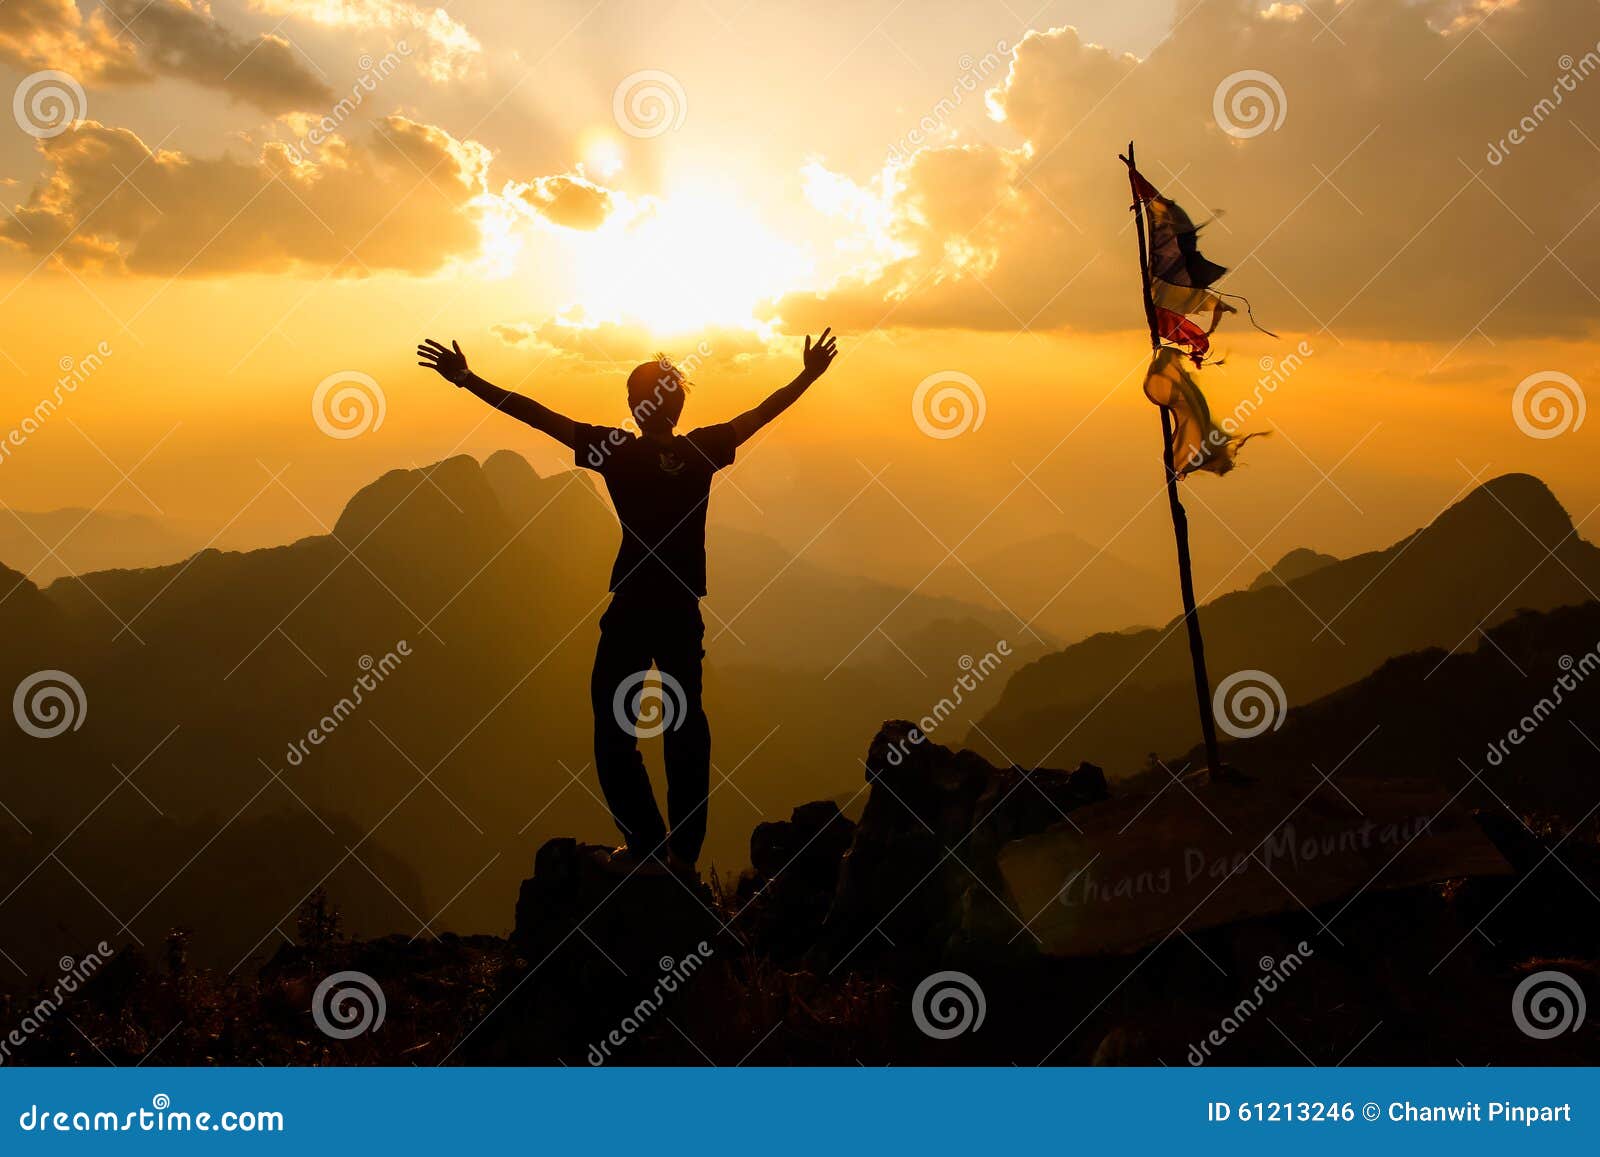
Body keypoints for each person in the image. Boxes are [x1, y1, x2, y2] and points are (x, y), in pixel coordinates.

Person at [417, 330, 840, 878]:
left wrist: (467, 379)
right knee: (685, 725)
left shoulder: (616, 452)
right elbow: (761, 414)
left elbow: (538, 416)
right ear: (678, 406)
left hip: (634, 607)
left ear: (635, 408)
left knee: (614, 728)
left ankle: (645, 846)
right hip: (683, 608)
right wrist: (808, 375)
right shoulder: (701, 450)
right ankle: (682, 856)